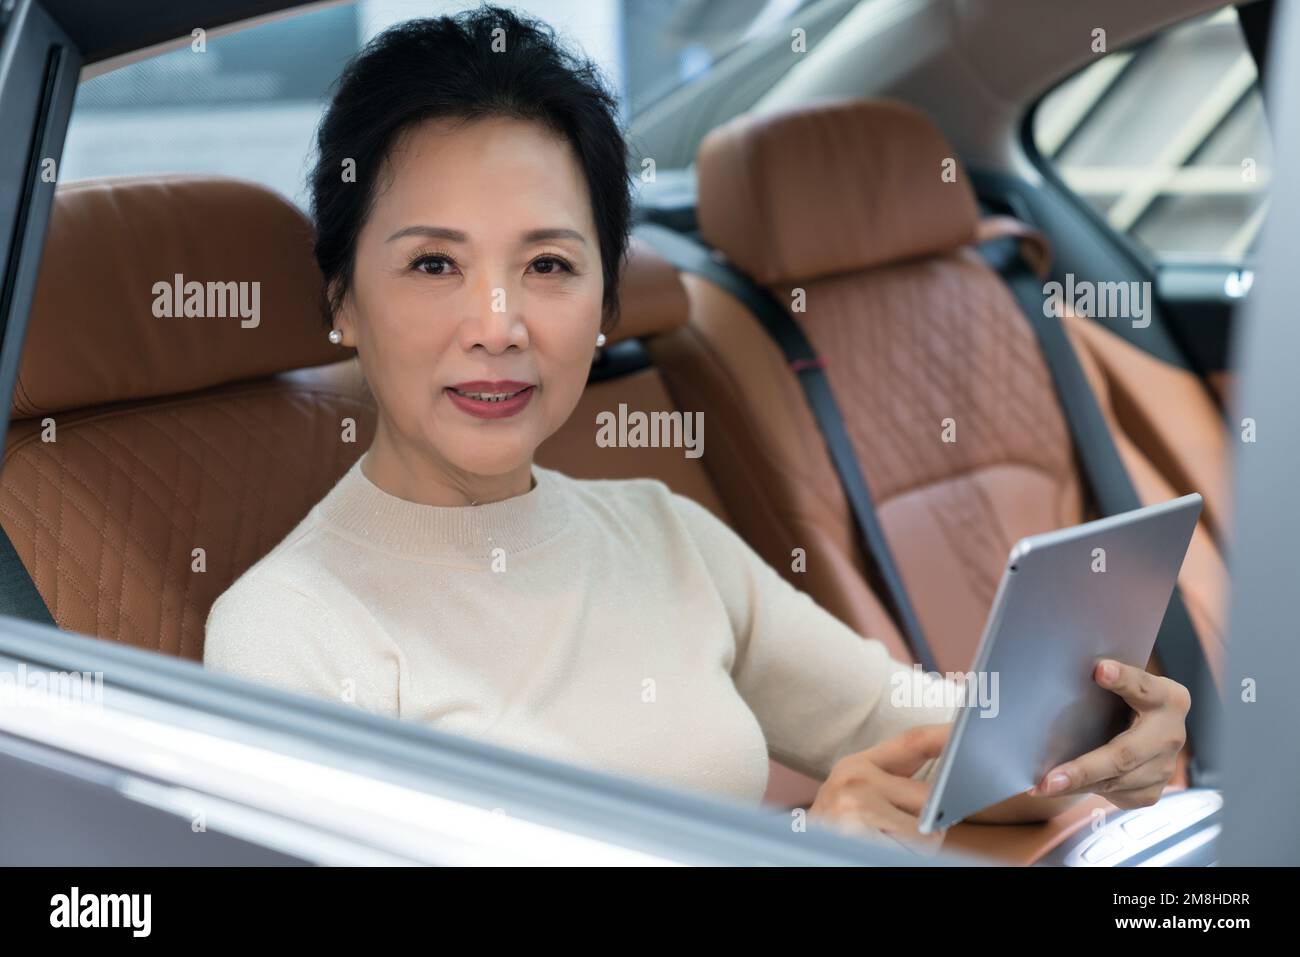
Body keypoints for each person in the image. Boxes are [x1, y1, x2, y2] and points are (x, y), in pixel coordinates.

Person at [204, 4, 1190, 848]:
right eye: (433, 265)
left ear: (601, 305)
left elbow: (929, 736)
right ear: (342, 301)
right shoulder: (286, 634)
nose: (496, 326)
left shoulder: (659, 532)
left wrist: (1098, 739)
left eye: (548, 265)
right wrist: (795, 851)